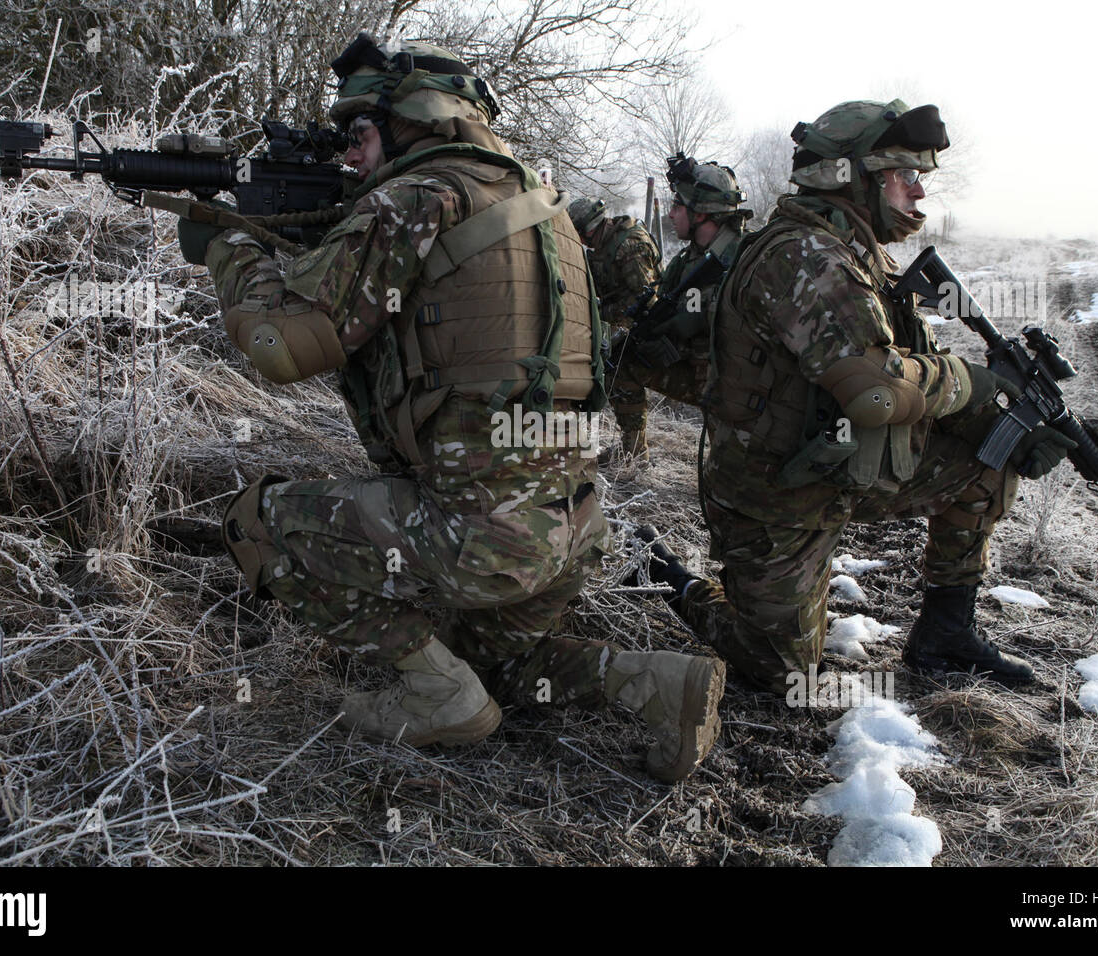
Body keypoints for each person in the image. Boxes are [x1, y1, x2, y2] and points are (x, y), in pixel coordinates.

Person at [175, 33, 724, 781]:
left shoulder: (416, 198)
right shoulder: (547, 212)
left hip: (481, 541)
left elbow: (279, 345)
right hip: (568, 531)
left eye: (359, 134)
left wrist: (226, 247)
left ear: (419, 121)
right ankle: (657, 683)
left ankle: (436, 693)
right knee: (502, 669)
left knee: (256, 523)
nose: (347, 155)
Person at [637, 99, 1084, 692]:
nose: (919, 194)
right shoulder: (804, 257)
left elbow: (904, 380)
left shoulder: (855, 256)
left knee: (989, 463)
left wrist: (1000, 419)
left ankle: (944, 636)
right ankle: (676, 580)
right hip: (775, 496)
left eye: (920, 177)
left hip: (838, 469)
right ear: (851, 176)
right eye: (907, 176)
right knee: (785, 676)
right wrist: (979, 384)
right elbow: (876, 393)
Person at [605, 155, 752, 461]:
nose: (670, 215)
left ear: (701, 213)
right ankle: (633, 453)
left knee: (727, 472)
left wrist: (698, 315)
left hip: (739, 384)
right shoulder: (685, 262)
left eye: (677, 206)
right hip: (698, 373)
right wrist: (663, 338)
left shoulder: (748, 256)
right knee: (620, 361)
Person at [566, 196, 662, 458]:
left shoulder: (629, 246)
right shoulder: (602, 244)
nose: (584, 244)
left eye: (583, 237)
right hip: (617, 320)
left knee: (619, 375)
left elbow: (646, 299)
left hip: (641, 326)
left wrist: (602, 315)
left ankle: (634, 450)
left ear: (590, 229)